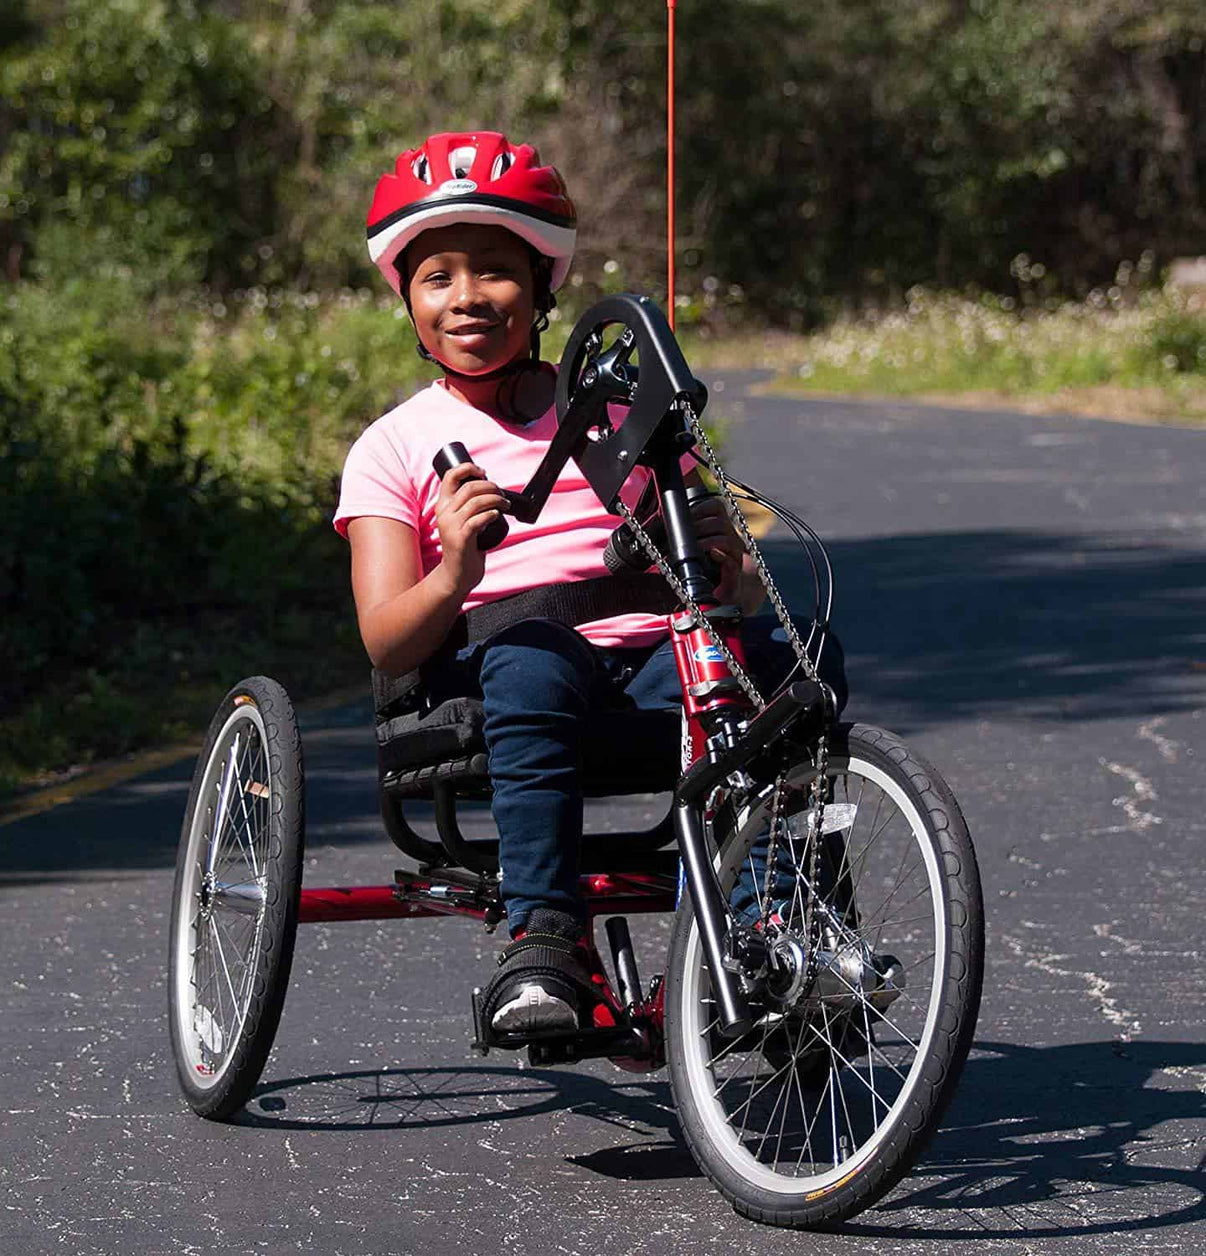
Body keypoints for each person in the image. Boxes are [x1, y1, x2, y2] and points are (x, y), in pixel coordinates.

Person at [334, 131, 846, 1036]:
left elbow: (737, 595)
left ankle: (767, 919)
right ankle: (545, 940)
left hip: (655, 661)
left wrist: (726, 570)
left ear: (541, 289)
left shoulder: (622, 420)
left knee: (794, 656)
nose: (467, 298)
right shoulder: (394, 447)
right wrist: (457, 567)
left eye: (493, 271)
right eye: (437, 277)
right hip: (510, 672)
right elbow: (385, 639)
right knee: (528, 657)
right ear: (407, 299)